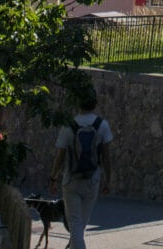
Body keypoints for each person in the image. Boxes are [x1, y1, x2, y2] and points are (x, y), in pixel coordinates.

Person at [48, 92, 113, 249]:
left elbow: (60, 156)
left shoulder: (69, 126)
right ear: (95, 104)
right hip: (92, 180)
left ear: (78, 104)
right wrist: (107, 181)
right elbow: (106, 157)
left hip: (71, 180)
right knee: (81, 223)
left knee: (76, 223)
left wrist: (53, 178)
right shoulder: (102, 125)